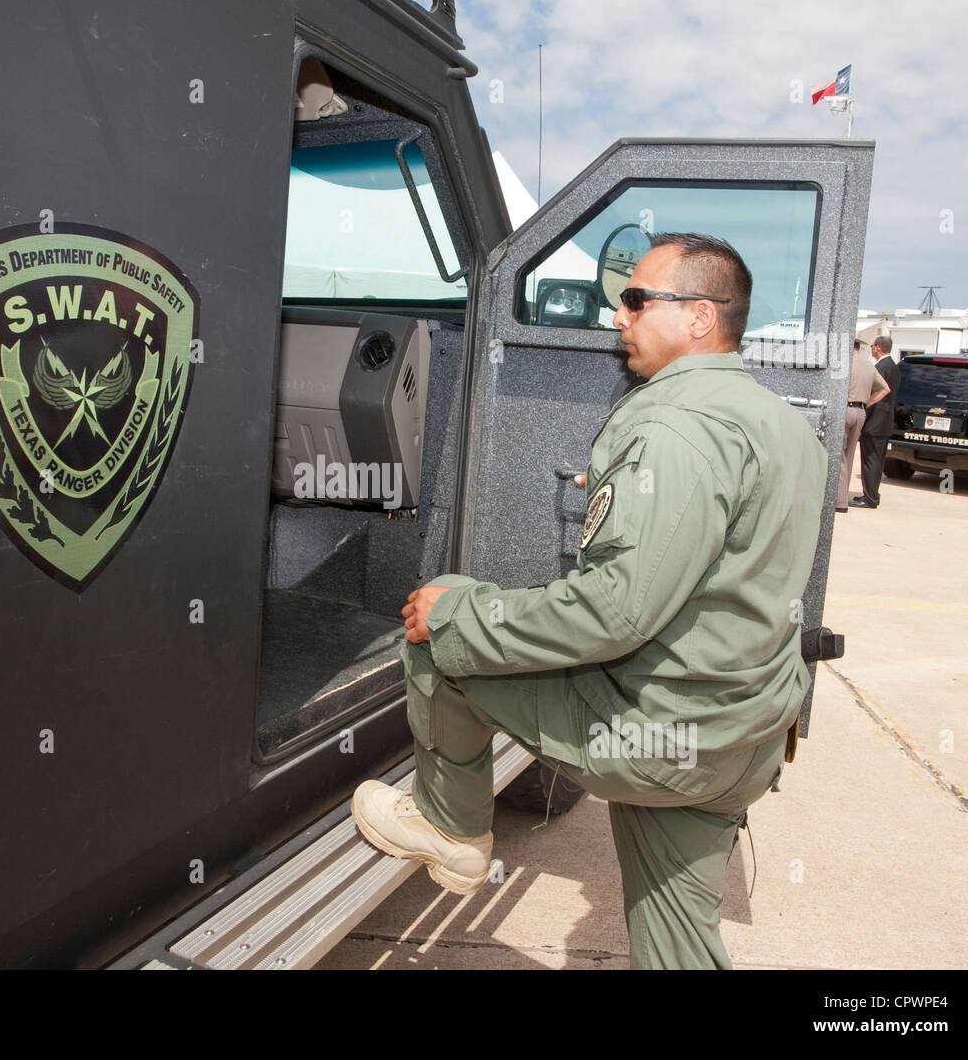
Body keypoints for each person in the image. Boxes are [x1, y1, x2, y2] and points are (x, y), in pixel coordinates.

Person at [351, 233, 828, 969]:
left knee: (442, 618)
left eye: (636, 299)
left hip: (659, 732)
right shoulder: (789, 427)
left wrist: (461, 614)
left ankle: (451, 829)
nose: (618, 316)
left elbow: (617, 611)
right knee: (679, 943)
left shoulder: (671, 425)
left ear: (701, 316)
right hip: (743, 732)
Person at [838, 341, 890, 512]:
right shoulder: (868, 365)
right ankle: (842, 496)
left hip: (844, 410)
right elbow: (884, 389)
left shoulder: (843, 363)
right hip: (860, 411)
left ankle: (839, 501)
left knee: (839, 456)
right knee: (849, 454)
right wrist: (867, 403)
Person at [852, 336, 900, 508]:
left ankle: (870, 498)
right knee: (877, 461)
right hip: (885, 422)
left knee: (870, 460)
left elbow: (876, 393)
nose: (871, 349)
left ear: (878, 348)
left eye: (872, 346)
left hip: (875, 422)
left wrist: (864, 409)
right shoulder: (893, 367)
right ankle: (872, 495)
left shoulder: (880, 367)